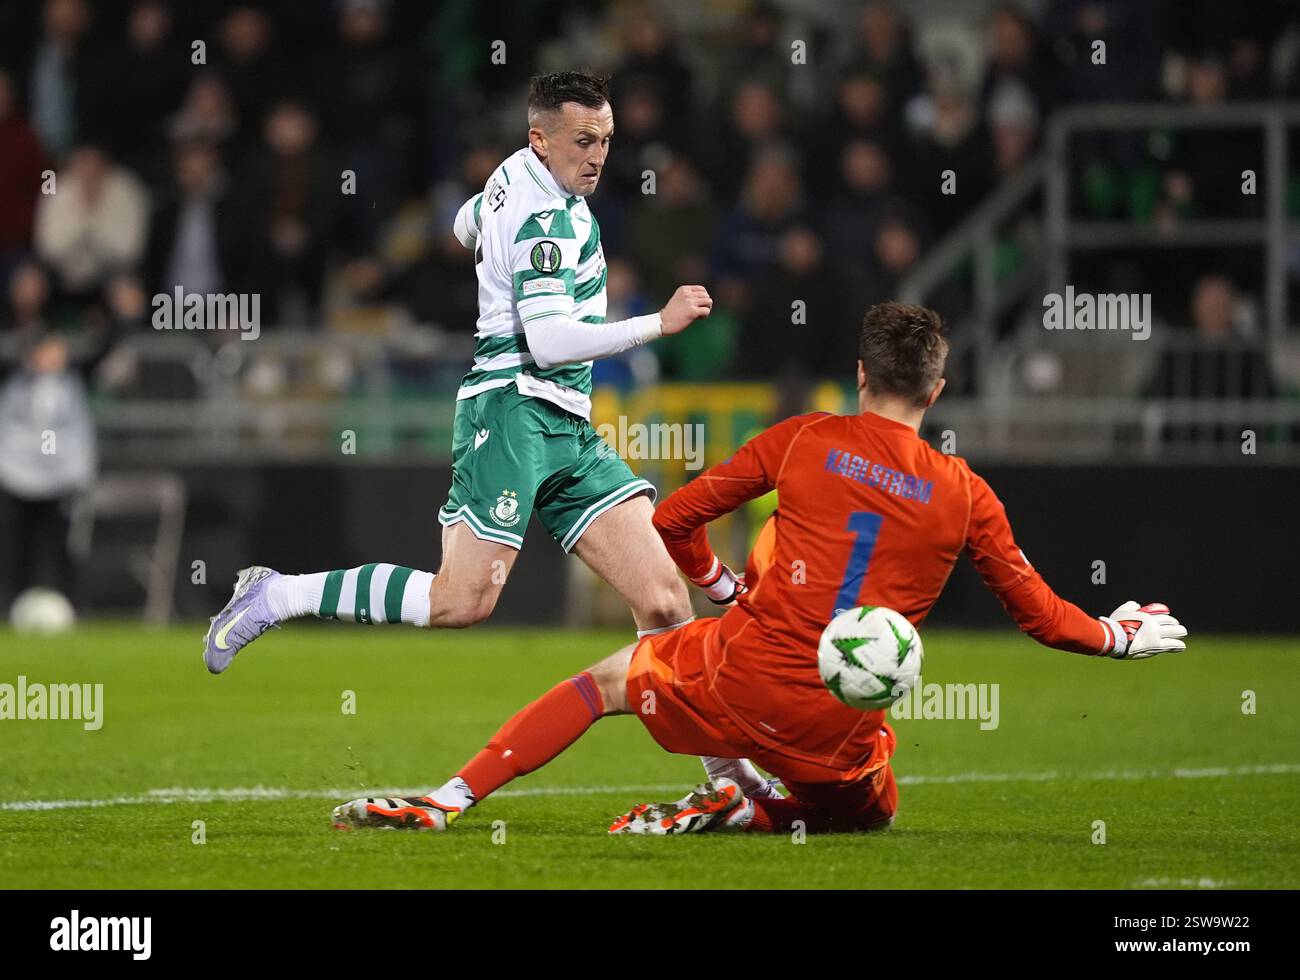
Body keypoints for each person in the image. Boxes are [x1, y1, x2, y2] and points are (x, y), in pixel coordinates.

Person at [329, 302, 1187, 834]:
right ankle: (758, 808)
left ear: (858, 376)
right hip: (837, 728)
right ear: (937, 389)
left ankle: (450, 799)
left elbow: (672, 519)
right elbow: (1040, 614)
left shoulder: (807, 437)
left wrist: (720, 586)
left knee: (601, 686)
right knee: (876, 808)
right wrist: (1116, 637)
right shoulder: (966, 495)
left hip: (738, 674)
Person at [204, 70, 778, 801]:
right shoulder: (550, 221)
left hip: (565, 422)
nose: (597, 154)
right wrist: (653, 326)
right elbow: (545, 340)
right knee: (461, 602)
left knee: (665, 602)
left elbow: (463, 224)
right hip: (511, 409)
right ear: (541, 138)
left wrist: (488, 234)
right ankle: (276, 595)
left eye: (605, 140)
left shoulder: (515, 177)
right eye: (582, 140)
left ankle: (728, 778)